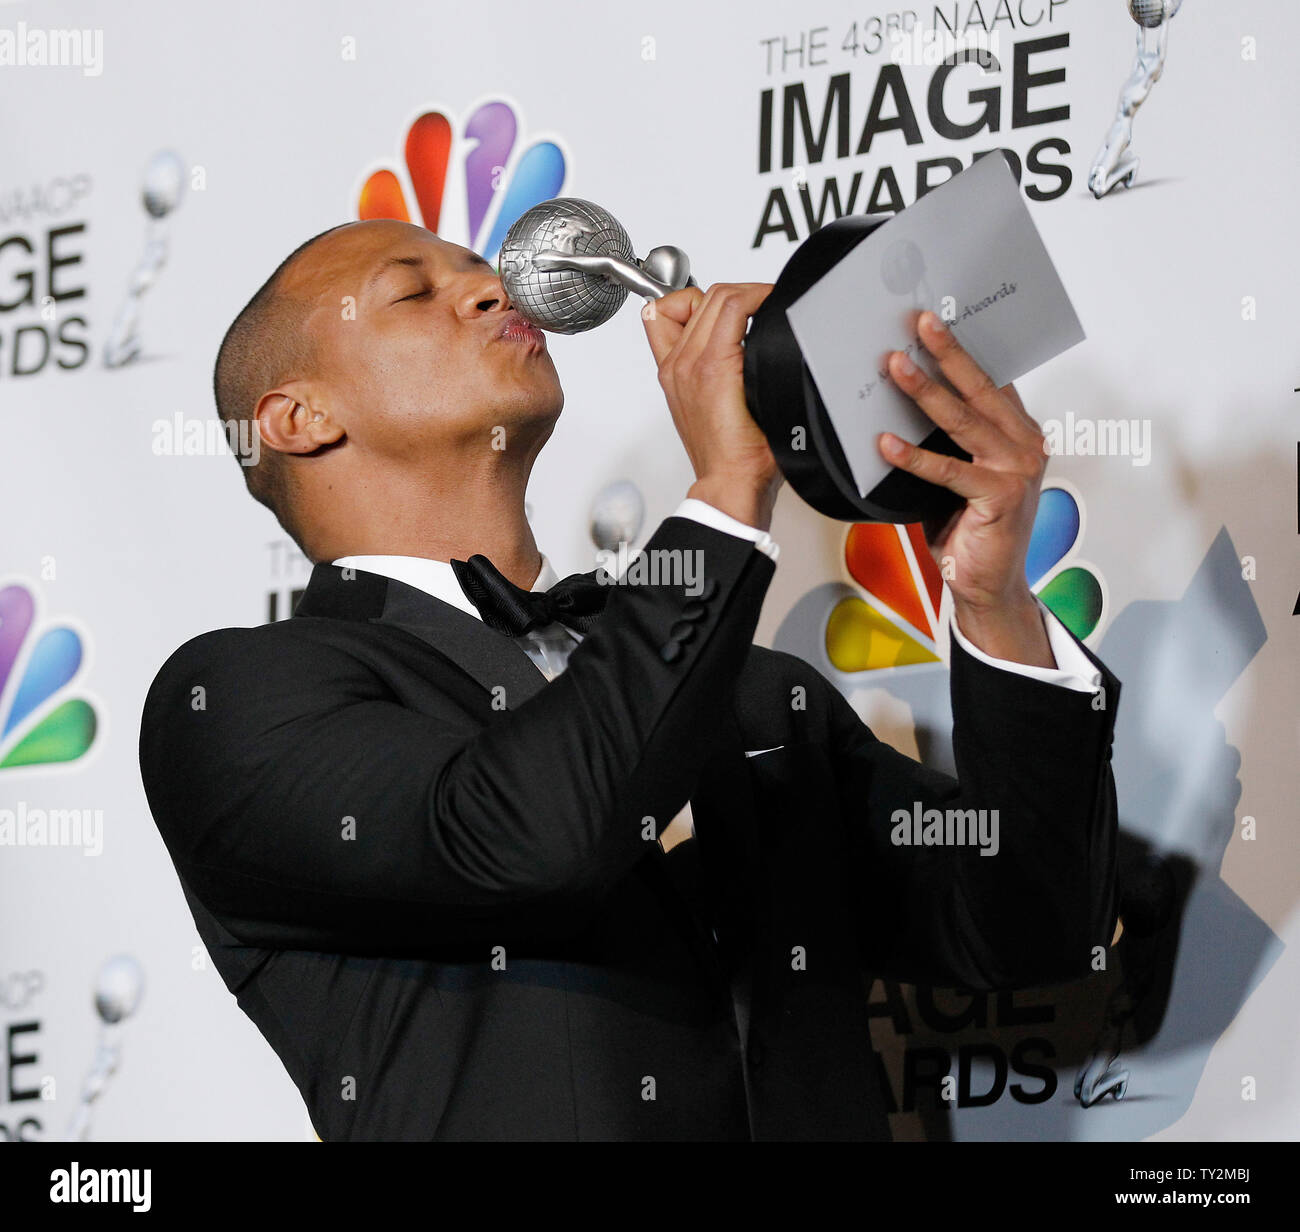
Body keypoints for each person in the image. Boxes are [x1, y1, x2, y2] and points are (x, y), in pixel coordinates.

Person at [138, 218, 1120, 1141]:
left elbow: (1026, 929)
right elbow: (526, 836)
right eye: (413, 291)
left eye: (482, 272)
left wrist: (992, 599)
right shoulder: (231, 698)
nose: (493, 288)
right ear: (298, 418)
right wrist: (726, 491)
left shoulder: (752, 691)